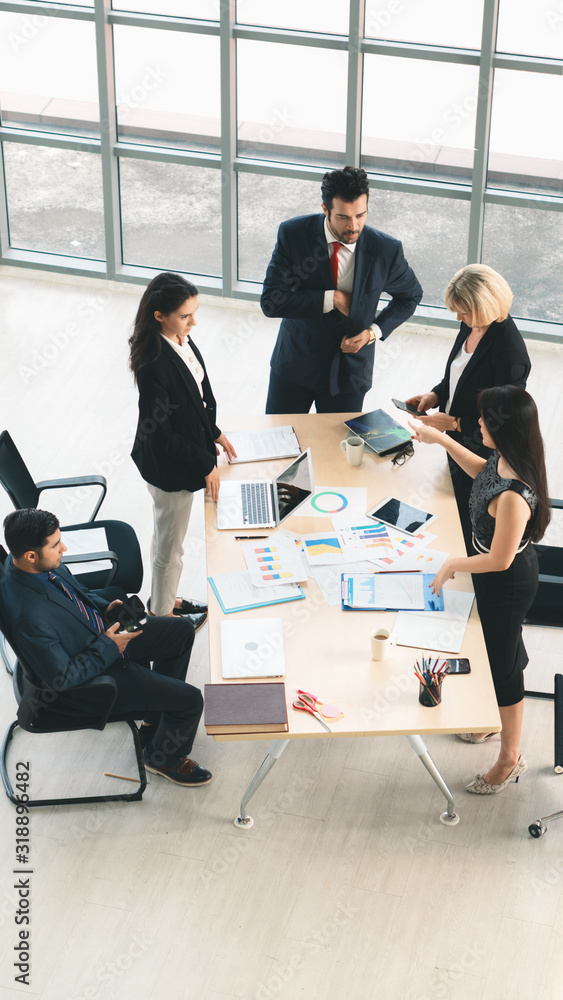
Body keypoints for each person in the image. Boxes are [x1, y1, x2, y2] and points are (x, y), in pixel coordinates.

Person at [0, 509, 212, 786]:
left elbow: (80, 595)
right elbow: (62, 678)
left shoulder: (41, 567)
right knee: (190, 700)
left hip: (100, 632)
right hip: (97, 670)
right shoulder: (28, 617)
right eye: (55, 545)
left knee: (181, 631)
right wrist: (110, 645)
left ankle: (155, 714)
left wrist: (106, 607)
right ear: (30, 555)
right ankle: (162, 758)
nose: (64, 548)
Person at [410, 386, 551, 795]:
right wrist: (440, 438)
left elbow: (500, 560)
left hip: (504, 581)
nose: (477, 425)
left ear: (501, 429)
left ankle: (510, 758)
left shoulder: (514, 498)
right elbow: (480, 472)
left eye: (484, 420)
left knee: (502, 665)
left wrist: (453, 563)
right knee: (503, 646)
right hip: (492, 574)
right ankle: (493, 725)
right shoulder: (505, 460)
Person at [261, 165, 422, 415]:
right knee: (279, 442)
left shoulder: (385, 250)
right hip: (295, 365)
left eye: (361, 215)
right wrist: (332, 298)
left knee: (340, 451)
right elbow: (271, 302)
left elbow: (410, 296)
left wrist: (372, 332)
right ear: (325, 209)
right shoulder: (293, 234)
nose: (354, 227)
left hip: (350, 375)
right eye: (343, 217)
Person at [129, 272, 236, 622]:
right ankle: (161, 619)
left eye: (194, 312)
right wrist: (206, 463)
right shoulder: (153, 364)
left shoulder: (179, 338)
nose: (194, 322)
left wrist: (214, 431)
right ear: (159, 315)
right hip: (169, 470)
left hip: (183, 454)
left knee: (166, 539)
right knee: (169, 550)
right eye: (185, 315)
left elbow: (194, 399)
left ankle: (165, 599)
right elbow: (160, 435)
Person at [405, 264, 531, 553]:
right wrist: (434, 395)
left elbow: (503, 417)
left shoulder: (511, 353)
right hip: (457, 439)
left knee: (463, 516)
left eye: (463, 311)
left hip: (480, 448)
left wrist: (454, 424)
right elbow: (458, 374)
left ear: (484, 306)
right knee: (447, 503)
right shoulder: (472, 323)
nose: (458, 317)